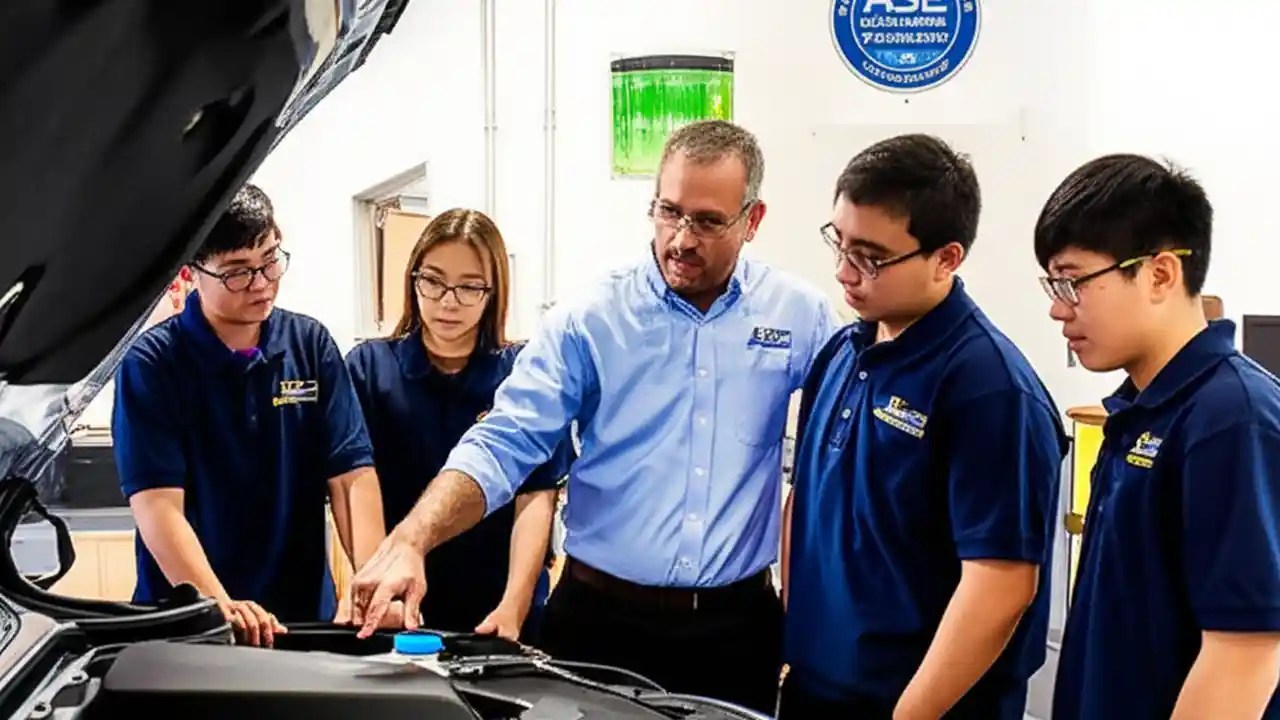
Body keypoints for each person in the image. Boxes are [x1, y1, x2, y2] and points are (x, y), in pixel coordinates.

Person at [346, 119, 838, 713]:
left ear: (752, 220)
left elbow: (845, 451)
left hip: (734, 630)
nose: (681, 238)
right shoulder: (593, 318)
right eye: (668, 211)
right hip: (602, 626)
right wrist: (411, 541)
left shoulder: (798, 317)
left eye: (708, 221)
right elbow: (506, 441)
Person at [779, 134, 1068, 719]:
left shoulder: (988, 389)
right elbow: (803, 502)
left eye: (870, 256)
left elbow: (1002, 584)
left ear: (947, 258)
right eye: (839, 241)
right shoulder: (842, 351)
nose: (843, 271)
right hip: (816, 688)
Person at [1037, 155, 1280, 719]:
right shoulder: (1137, 412)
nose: (1056, 307)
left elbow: (1244, 654)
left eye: (1073, 282)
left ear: (1160, 274)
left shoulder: (1232, 420)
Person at [112, 183, 386, 646]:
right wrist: (218, 606)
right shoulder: (153, 365)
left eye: (270, 260)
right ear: (190, 273)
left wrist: (374, 577)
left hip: (300, 619)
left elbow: (350, 475)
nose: (261, 283)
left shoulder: (310, 346)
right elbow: (158, 506)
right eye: (238, 272)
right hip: (191, 627)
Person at [342, 208, 573, 644]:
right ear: (413, 280)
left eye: (469, 287)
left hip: (499, 603)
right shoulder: (370, 369)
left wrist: (514, 607)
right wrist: (373, 583)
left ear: (493, 291)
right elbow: (355, 485)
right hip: (402, 602)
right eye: (433, 281)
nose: (449, 301)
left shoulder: (521, 372)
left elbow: (536, 496)